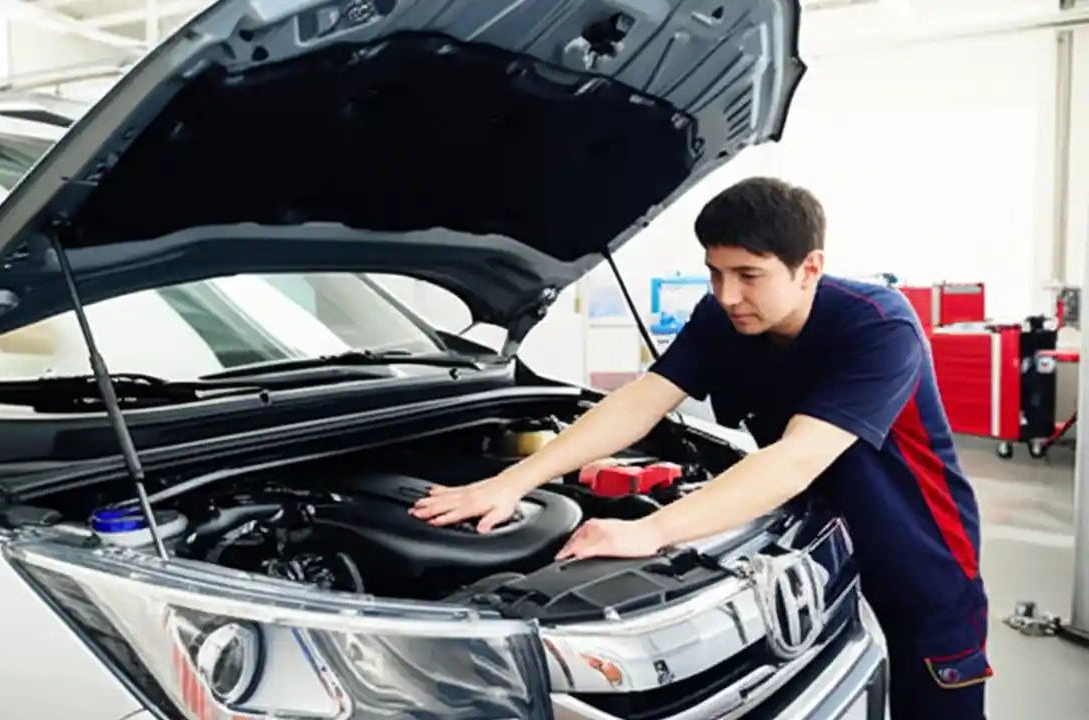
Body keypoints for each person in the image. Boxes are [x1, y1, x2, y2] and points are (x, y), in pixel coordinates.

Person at [410, 177, 989, 718]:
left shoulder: (879, 327)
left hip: (917, 555)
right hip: (815, 544)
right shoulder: (725, 319)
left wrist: (650, 530)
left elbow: (794, 458)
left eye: (748, 274)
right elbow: (641, 402)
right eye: (714, 272)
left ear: (809, 268)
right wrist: (513, 481)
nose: (727, 294)